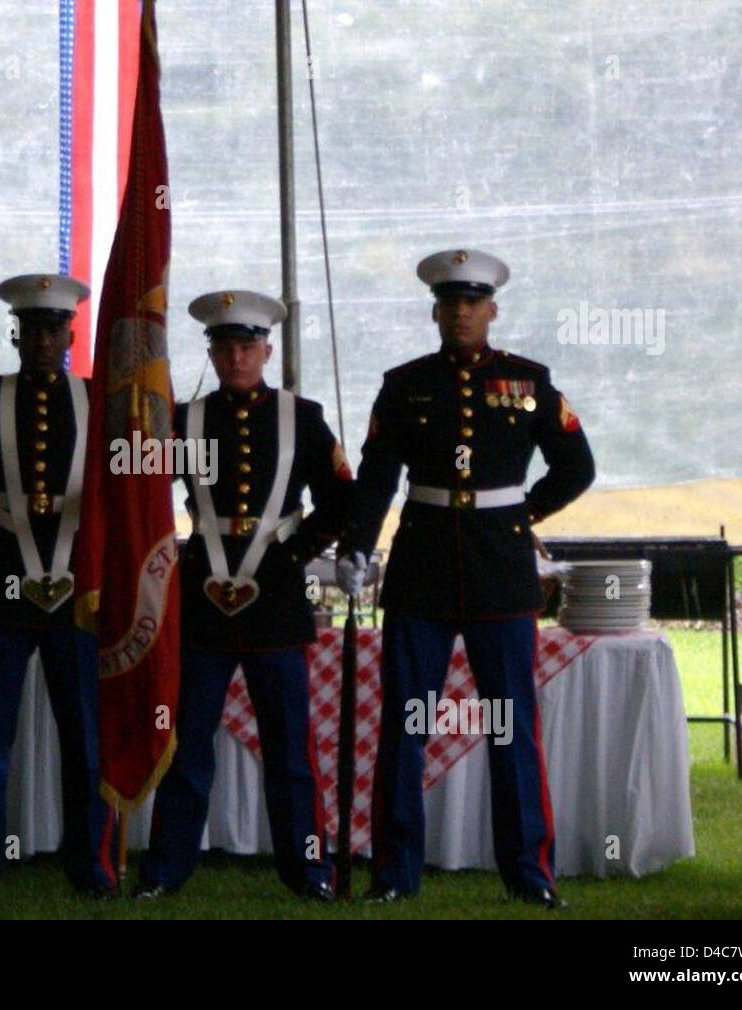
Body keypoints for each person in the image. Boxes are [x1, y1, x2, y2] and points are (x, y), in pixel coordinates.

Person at [336, 249, 595, 908]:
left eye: (472, 303)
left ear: (492, 310)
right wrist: (357, 549)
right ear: (435, 310)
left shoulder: (530, 382)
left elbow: (577, 467)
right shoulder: (403, 385)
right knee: (405, 726)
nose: (460, 313)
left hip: (500, 573)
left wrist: (521, 513)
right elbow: (375, 477)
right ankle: (394, 875)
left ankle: (530, 876)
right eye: (450, 303)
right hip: (421, 569)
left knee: (510, 726)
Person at [135, 290, 353, 902]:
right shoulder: (184, 420)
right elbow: (142, 490)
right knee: (187, 745)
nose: (235, 358)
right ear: (211, 350)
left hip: (277, 598)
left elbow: (342, 499)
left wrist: (297, 550)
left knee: (289, 749)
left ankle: (309, 871)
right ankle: (165, 871)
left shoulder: (302, 418)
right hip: (203, 594)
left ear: (267, 350)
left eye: (247, 347)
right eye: (224, 347)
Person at [0, 273, 116, 898]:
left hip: (78, 588)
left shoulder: (97, 399)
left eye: (56, 329)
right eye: (34, 329)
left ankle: (91, 866)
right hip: (1, 580)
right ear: (18, 333)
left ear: (71, 333)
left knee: (84, 740)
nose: (45, 339)